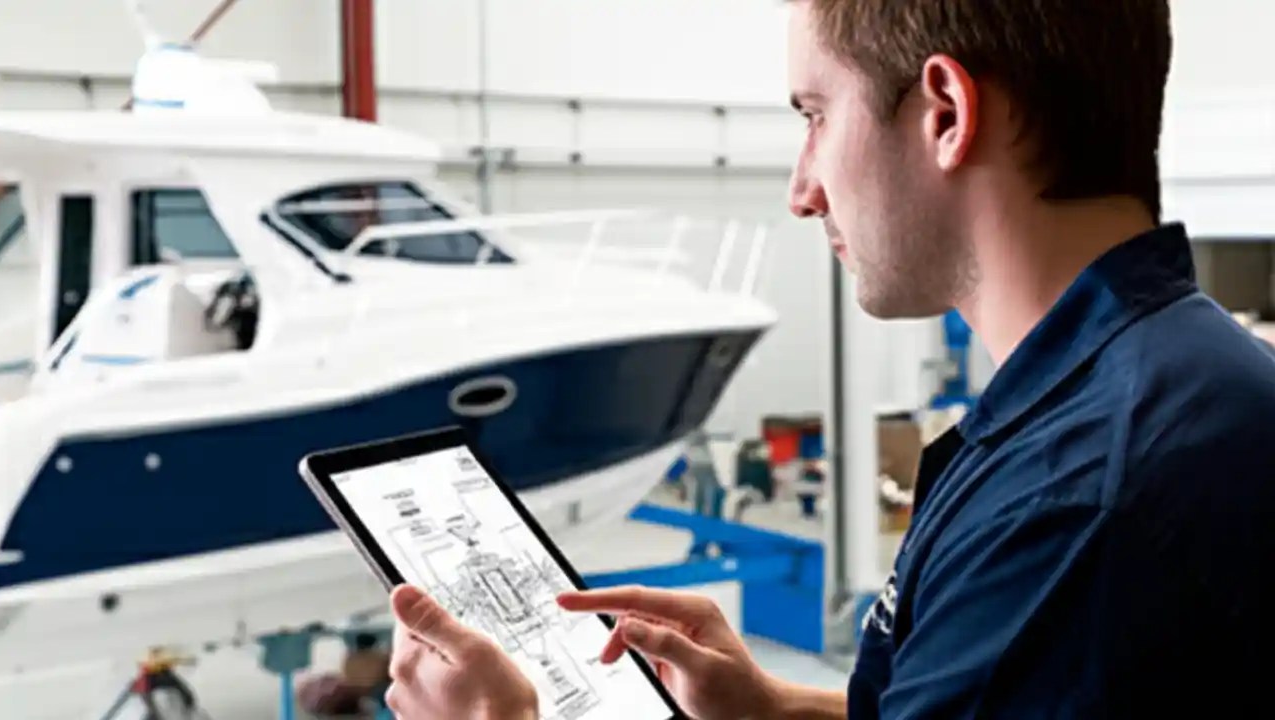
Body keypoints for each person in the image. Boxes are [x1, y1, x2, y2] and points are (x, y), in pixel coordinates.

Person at [384, 0, 1275, 717]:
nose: (802, 190)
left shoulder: (1074, 504)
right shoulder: (1186, 376)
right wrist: (775, 713)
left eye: (814, 116)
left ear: (946, 115)